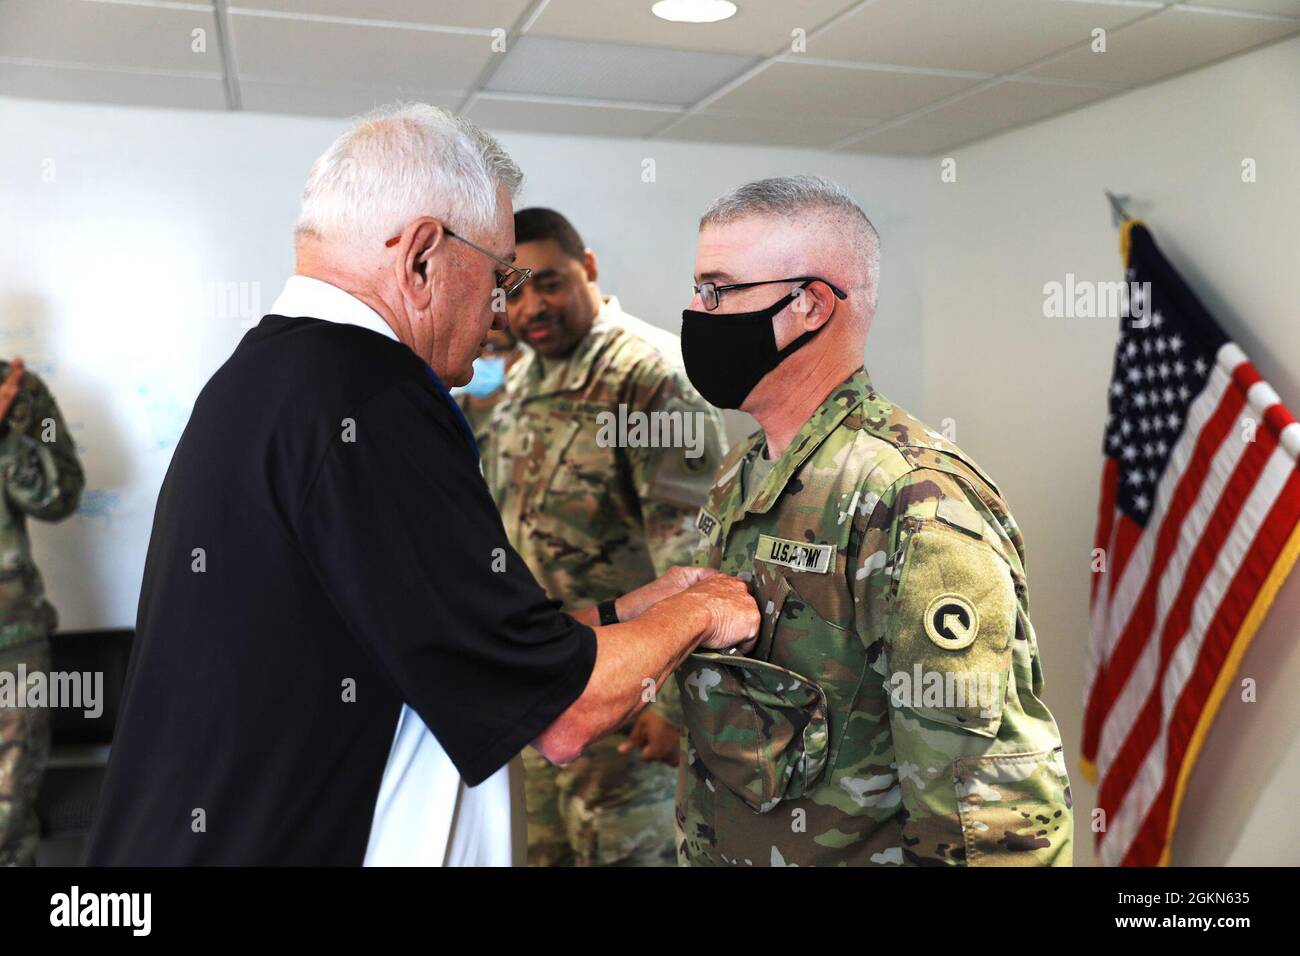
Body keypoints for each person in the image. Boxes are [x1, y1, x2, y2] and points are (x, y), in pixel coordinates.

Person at [84, 104, 758, 867]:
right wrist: (702, 613)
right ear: (423, 259)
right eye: (499, 274)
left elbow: (421, 625)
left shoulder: (271, 374)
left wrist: (620, 611)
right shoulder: (373, 401)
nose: (504, 308)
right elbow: (564, 717)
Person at [673, 176, 1073, 866]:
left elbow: (988, 818)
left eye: (718, 290)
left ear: (810, 306)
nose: (694, 310)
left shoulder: (913, 501)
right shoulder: (743, 471)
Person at [481, 208, 726, 866]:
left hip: (626, 702)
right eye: (513, 289)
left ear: (588, 268)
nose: (532, 306)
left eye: (550, 282)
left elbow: (697, 560)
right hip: (545, 694)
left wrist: (673, 705)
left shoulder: (648, 379)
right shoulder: (524, 380)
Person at [0, 356, 84, 866]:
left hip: (11, 650)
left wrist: (6, 440)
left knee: (8, 832)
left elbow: (62, 494)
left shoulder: (20, 392)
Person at [454, 325, 521, 444]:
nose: (478, 355)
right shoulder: (445, 411)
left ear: (517, 355)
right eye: (471, 347)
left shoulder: (527, 415)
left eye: (489, 347)